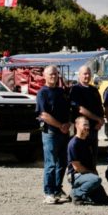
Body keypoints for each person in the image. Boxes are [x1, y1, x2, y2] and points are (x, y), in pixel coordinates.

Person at [35, 65, 70, 205]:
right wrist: (60, 126)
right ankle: (48, 192)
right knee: (50, 164)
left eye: (55, 74)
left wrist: (67, 124)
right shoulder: (42, 93)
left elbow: (67, 110)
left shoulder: (61, 92)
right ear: (44, 75)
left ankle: (57, 190)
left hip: (64, 133)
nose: (53, 76)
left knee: (62, 163)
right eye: (51, 74)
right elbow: (43, 115)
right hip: (50, 133)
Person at [67, 116, 108, 205]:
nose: (88, 127)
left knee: (102, 200)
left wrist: (93, 171)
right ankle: (76, 193)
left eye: (88, 125)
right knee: (96, 180)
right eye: (84, 125)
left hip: (87, 174)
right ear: (77, 126)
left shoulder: (88, 141)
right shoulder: (73, 144)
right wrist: (92, 173)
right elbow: (77, 167)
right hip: (76, 174)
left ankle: (83, 195)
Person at [70, 65, 105, 159]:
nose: (87, 76)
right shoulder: (76, 89)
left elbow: (100, 107)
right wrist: (97, 119)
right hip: (82, 130)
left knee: (93, 157)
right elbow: (80, 109)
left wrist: (100, 121)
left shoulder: (94, 90)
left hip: (94, 129)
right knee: (82, 157)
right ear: (79, 75)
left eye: (89, 74)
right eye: (85, 74)